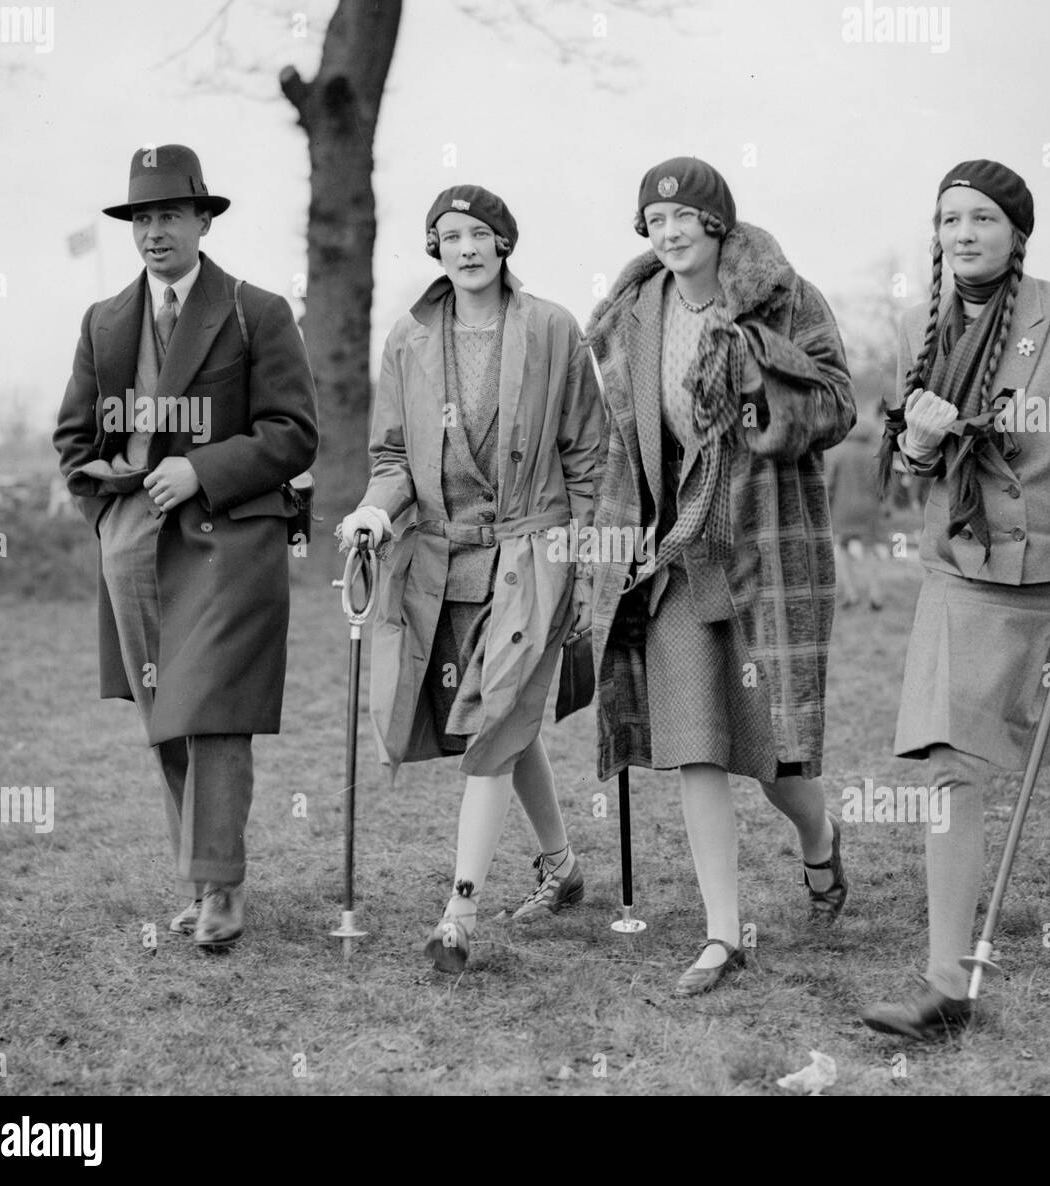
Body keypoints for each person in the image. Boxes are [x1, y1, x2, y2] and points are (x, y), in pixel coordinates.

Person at [862, 160, 1050, 1039]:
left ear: (1017, 231)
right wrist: (914, 444)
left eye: (982, 218)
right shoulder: (926, 328)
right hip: (964, 578)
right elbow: (916, 474)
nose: (964, 233)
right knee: (953, 768)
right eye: (949, 219)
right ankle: (948, 986)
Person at [586, 157, 856, 996]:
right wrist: (618, 535)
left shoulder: (786, 299)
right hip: (673, 552)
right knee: (695, 746)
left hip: (764, 548)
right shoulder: (636, 314)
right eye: (655, 220)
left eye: (685, 219)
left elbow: (838, 404)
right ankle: (722, 934)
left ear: (717, 225)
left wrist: (758, 363)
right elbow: (621, 442)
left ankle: (819, 843)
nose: (669, 233)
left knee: (774, 759)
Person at [54, 144, 318, 949]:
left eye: (169, 214)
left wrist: (198, 469)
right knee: (163, 714)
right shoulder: (104, 321)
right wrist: (114, 507)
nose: (153, 232)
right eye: (141, 217)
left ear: (204, 221)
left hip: (228, 542)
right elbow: (73, 442)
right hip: (134, 545)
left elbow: (295, 433)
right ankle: (203, 880)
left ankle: (224, 890)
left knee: (214, 713)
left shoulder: (258, 311)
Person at [337, 185, 601, 974]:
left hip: (533, 551)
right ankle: (560, 867)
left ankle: (459, 912)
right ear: (435, 250)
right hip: (444, 562)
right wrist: (375, 514)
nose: (466, 248)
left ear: (505, 243)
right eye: (450, 236)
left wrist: (587, 558)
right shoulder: (409, 340)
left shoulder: (553, 329)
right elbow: (391, 460)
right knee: (500, 719)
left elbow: (588, 454)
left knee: (494, 723)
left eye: (481, 233)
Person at [827, 402, 890, 610]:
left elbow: (830, 484)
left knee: (842, 550)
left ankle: (851, 593)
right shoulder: (876, 453)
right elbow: (884, 485)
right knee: (870, 551)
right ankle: (876, 595)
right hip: (869, 510)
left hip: (842, 510)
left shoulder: (839, 452)